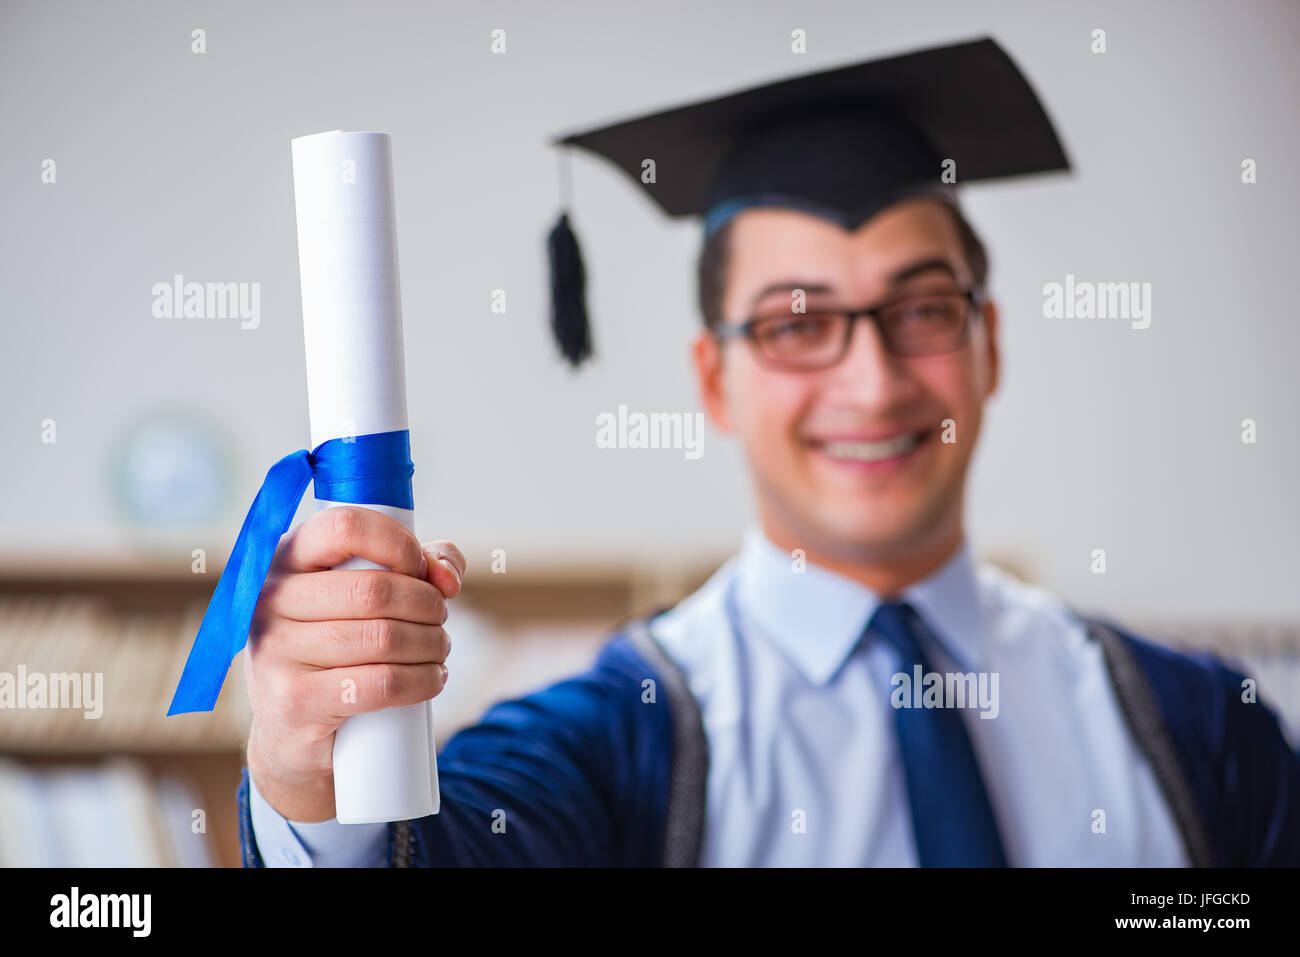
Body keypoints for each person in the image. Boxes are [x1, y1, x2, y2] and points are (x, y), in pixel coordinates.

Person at [238, 37, 1300, 867]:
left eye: (922, 310)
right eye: (797, 324)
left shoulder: (1197, 725)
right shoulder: (617, 740)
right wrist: (313, 777)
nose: (873, 382)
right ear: (713, 380)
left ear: (990, 344)